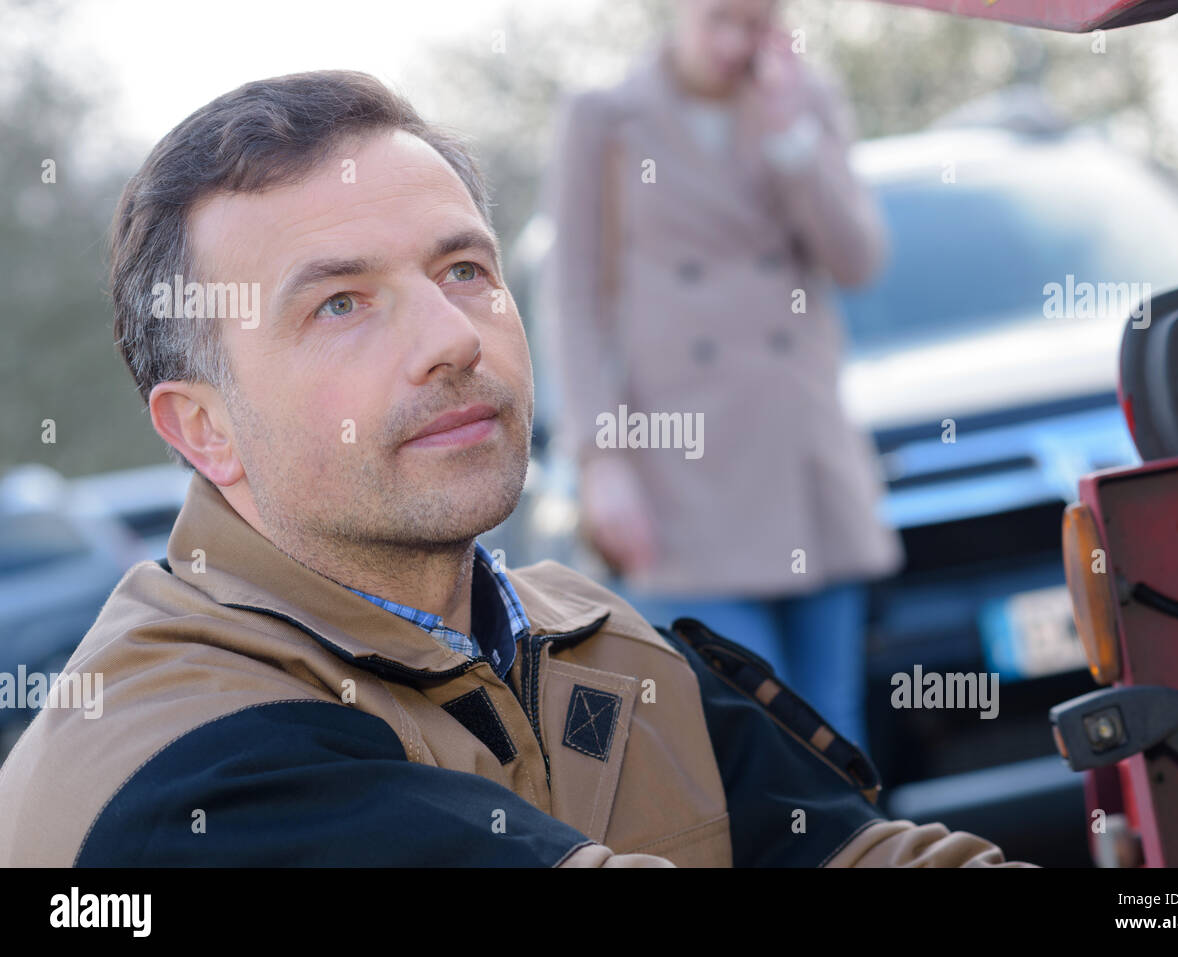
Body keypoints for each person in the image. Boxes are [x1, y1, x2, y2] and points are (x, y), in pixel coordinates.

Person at [0, 70, 1023, 868]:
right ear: (203, 429)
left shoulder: (597, 642)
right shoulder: (182, 760)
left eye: (464, 271)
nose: (452, 339)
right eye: (340, 306)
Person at [542, 0, 903, 751]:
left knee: (835, 731)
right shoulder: (605, 119)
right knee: (741, 728)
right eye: (720, 20)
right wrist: (600, 460)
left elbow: (859, 260)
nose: (736, 43)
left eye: (755, 22)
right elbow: (574, 299)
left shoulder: (804, 101)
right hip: (680, 476)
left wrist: (792, 141)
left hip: (804, 461)